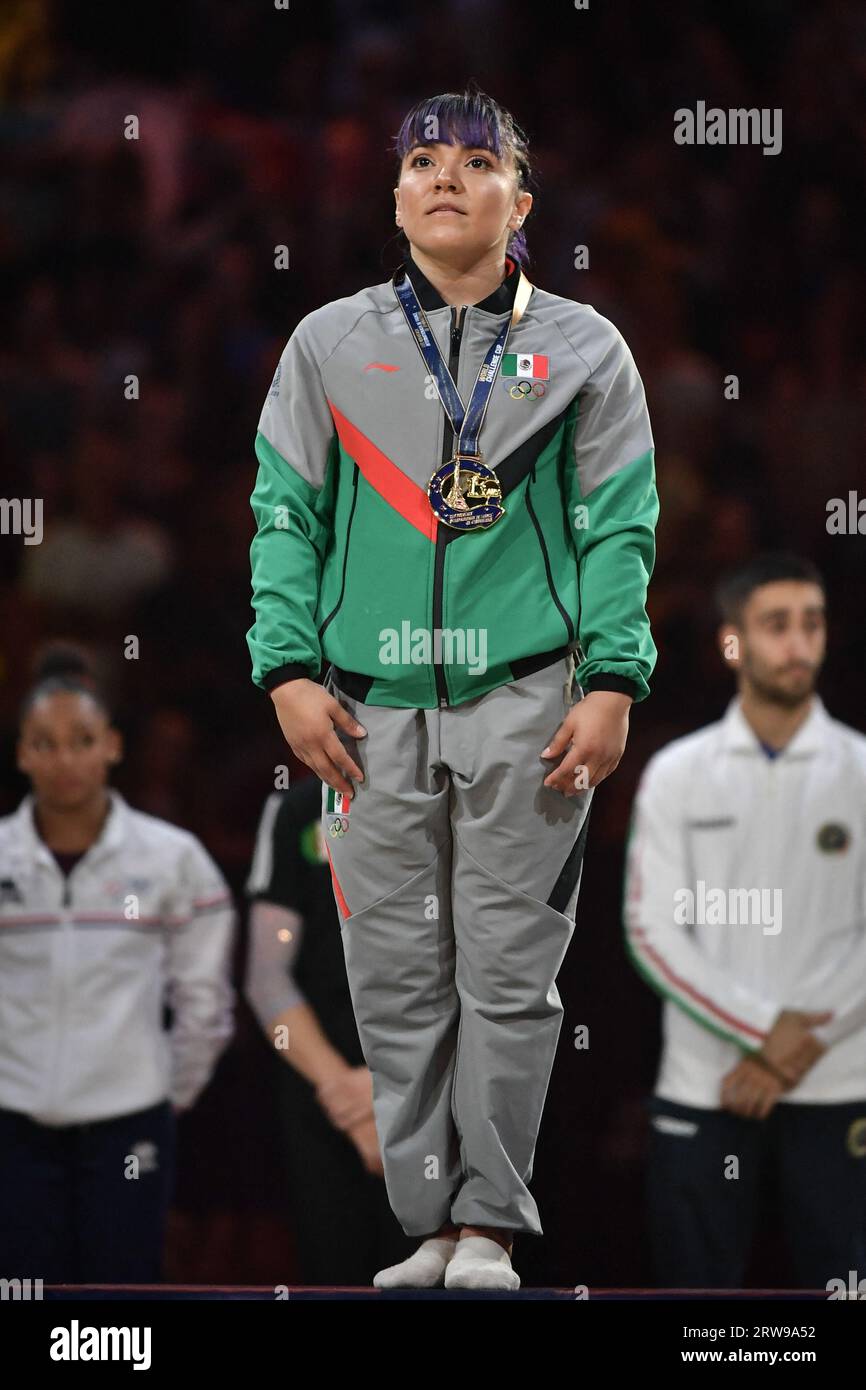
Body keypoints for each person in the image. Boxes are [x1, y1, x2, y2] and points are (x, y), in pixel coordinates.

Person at [247, 88, 658, 1290]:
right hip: (364, 702)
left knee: (507, 971)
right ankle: (425, 1227)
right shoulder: (329, 343)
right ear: (393, 198)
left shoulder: (583, 348)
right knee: (392, 975)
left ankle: (489, 1227)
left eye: (476, 163)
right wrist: (284, 668)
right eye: (422, 160)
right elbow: (284, 517)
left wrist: (613, 678)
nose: (443, 177)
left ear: (516, 204)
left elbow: (617, 527)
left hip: (527, 695)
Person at [624, 553, 866, 1290]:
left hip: (840, 1081)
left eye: (813, 624)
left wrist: (798, 1044)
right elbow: (652, 933)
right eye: (777, 625)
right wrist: (766, 1033)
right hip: (708, 1083)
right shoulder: (676, 772)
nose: (799, 643)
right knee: (701, 1312)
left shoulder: (862, 770)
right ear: (732, 644)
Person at [0, 645, 235, 1285]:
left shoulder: (172, 859)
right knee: (23, 1285)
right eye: (44, 744)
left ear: (112, 746)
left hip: (131, 1123)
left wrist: (160, 1094)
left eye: (82, 740)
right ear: (22, 753)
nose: (65, 759)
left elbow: (204, 1004)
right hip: (13, 1120)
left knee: (122, 1285)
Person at [244, 777, 415, 1283]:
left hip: (435, 1092)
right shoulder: (296, 810)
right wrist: (346, 1094)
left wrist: (392, 1091)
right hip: (322, 1090)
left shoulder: (457, 795)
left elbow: (477, 966)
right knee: (331, 1273)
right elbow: (266, 977)